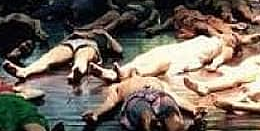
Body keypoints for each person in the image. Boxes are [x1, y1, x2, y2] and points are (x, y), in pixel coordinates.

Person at [81, 76, 207, 131]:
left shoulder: (155, 80)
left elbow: (175, 97)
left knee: (170, 111)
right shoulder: (117, 86)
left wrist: (193, 109)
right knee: (145, 113)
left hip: (158, 94)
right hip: (135, 97)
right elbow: (110, 102)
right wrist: (96, 114)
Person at [91, 34, 237, 82]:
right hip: (179, 48)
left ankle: (129, 75)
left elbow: (222, 58)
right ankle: (111, 73)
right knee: (146, 56)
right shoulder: (210, 37)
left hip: (187, 56)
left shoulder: (225, 46)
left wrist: (215, 64)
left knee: (162, 63)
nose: (229, 35)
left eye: (232, 37)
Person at [2, 28, 122, 86]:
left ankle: (77, 73)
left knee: (82, 57)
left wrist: (105, 33)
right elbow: (59, 44)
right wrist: (73, 34)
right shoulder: (75, 33)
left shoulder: (101, 35)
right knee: (48, 58)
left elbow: (119, 50)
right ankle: (24, 71)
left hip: (91, 45)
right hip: (70, 44)